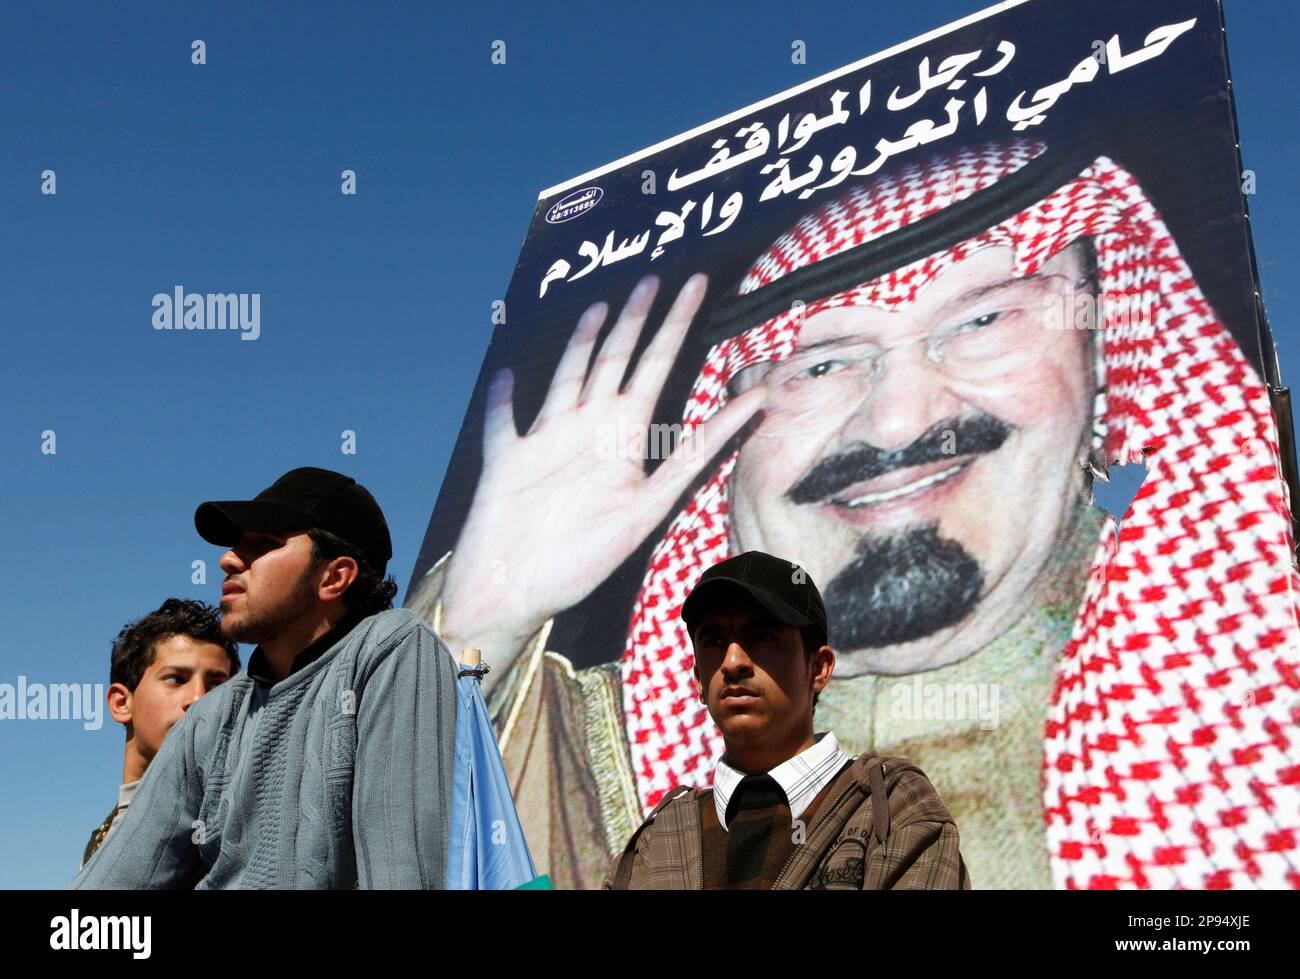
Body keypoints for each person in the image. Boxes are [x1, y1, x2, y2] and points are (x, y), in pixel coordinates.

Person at [408, 141, 1300, 890]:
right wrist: (486, 616)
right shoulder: (597, 756)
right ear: (730, 451)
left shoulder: (1258, 682)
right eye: (822, 365)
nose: (899, 419)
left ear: (1104, 360)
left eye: (983, 318)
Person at [73, 467, 459, 889]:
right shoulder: (211, 717)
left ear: (334, 576)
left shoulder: (390, 648)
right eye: (237, 544)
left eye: (264, 544)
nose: (228, 558)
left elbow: (403, 879)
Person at [603, 551, 969, 890]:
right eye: (714, 640)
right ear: (699, 680)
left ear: (819, 668)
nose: (733, 662)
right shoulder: (658, 843)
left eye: (762, 637)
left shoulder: (889, 810)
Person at [81, 599, 239, 868]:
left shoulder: (233, 828)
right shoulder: (102, 839)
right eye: (176, 679)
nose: (198, 698)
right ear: (121, 703)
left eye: (215, 686)